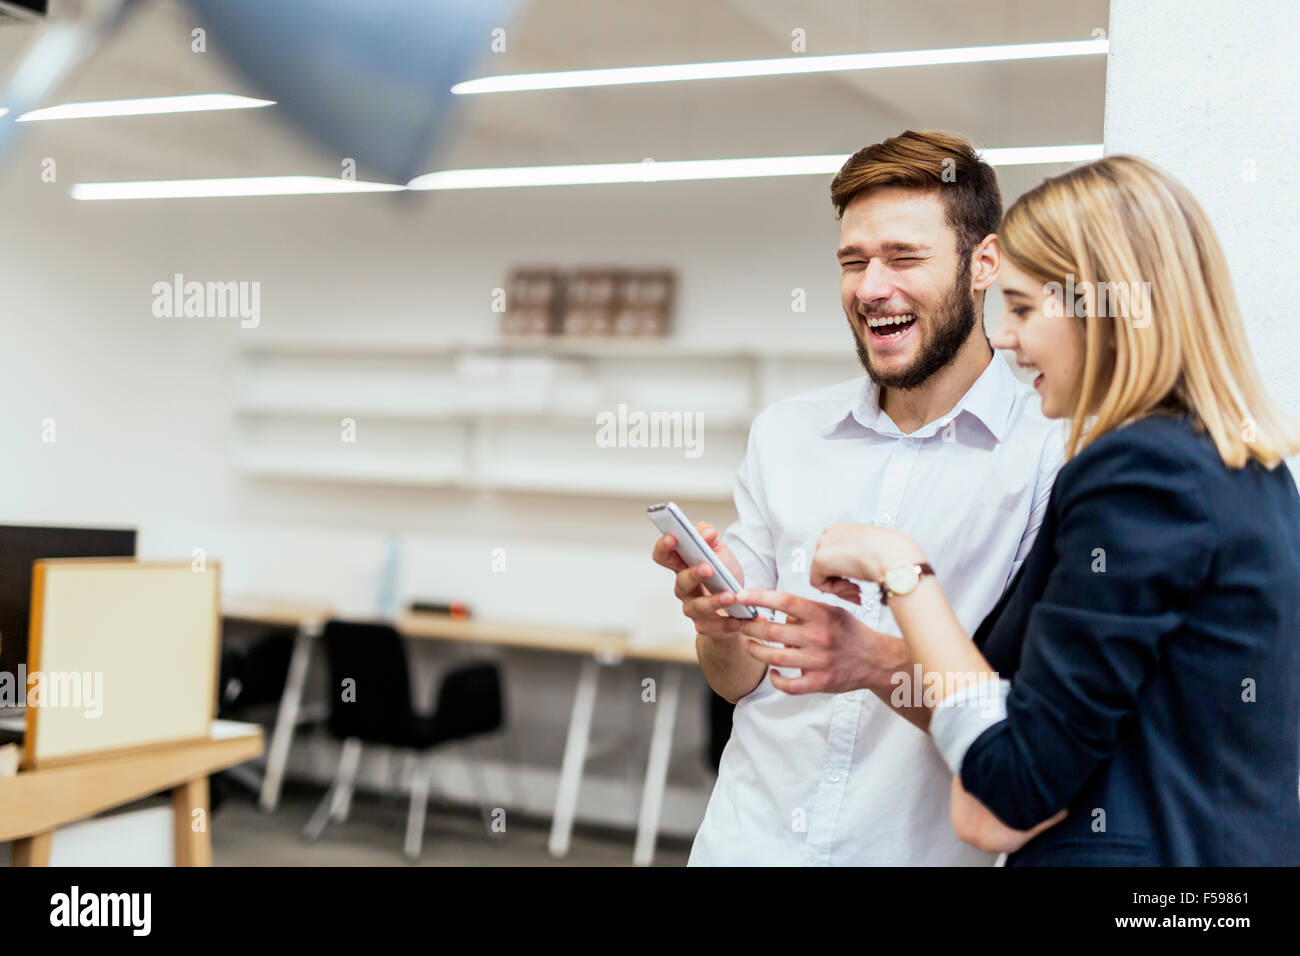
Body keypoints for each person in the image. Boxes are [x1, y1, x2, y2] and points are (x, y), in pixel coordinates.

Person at [789, 154, 1300, 864]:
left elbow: (1011, 785)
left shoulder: (1138, 474)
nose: (1007, 336)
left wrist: (898, 566)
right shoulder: (1255, 469)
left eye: (1025, 308)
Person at [651, 130, 1065, 865]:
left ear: (984, 264)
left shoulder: (1051, 455)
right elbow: (739, 682)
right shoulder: (786, 434)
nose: (872, 288)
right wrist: (717, 625)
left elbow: (1032, 720)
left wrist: (871, 659)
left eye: (904, 258)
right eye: (853, 262)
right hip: (745, 845)